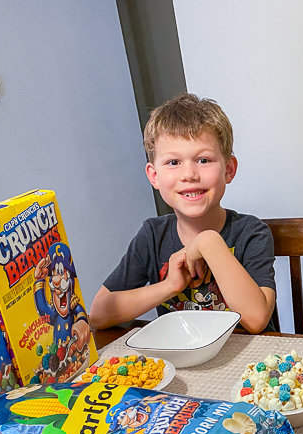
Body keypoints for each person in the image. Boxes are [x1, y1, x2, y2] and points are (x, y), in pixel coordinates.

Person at [90, 94, 276, 333]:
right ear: (154, 176)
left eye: (203, 159)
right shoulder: (152, 236)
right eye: (173, 162)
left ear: (229, 170)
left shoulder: (252, 233)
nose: (189, 174)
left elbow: (257, 320)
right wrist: (169, 286)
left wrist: (209, 242)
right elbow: (98, 314)